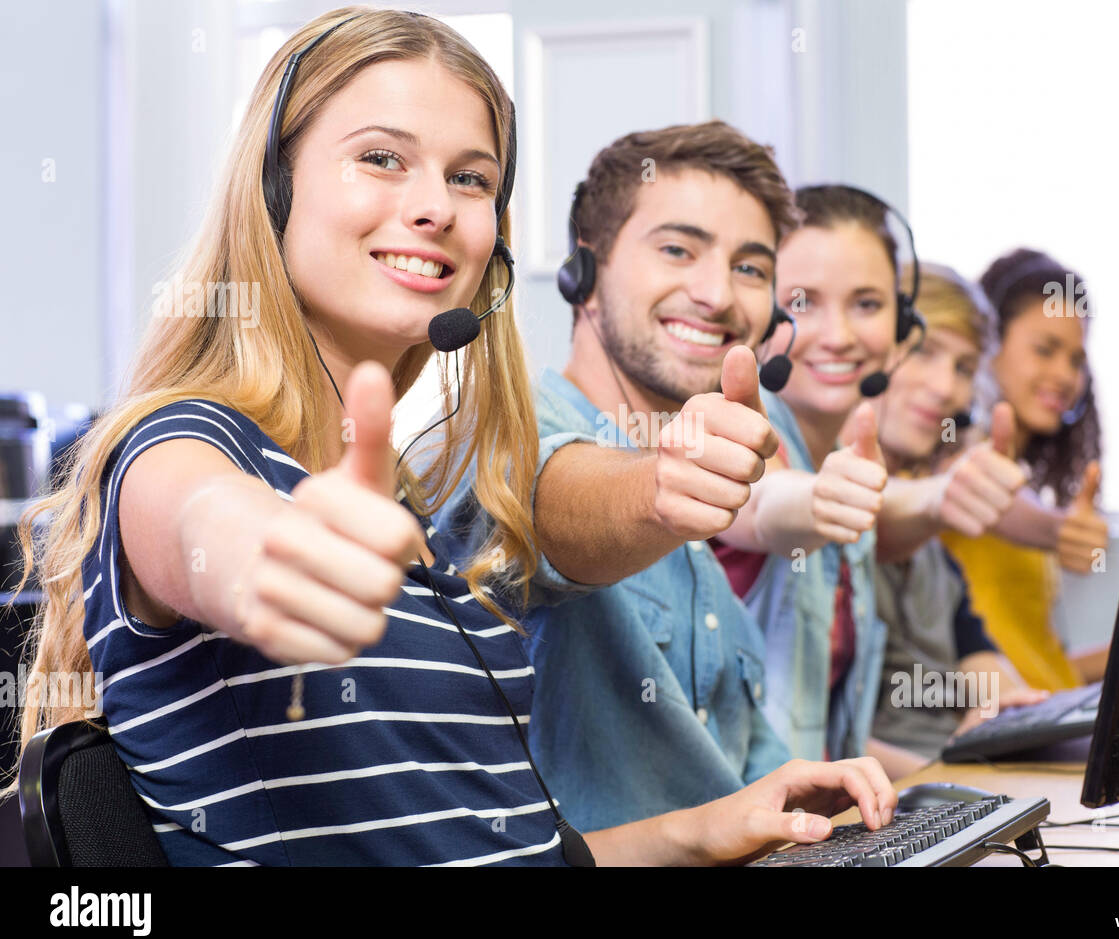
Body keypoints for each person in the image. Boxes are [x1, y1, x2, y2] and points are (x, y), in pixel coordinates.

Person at [7, 8, 893, 866]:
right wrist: (274, 559)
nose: (433, 206)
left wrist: (709, 829)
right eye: (382, 159)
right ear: (273, 188)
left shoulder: (414, 514)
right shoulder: (182, 444)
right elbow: (207, 526)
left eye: (470, 178)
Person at [433, 121, 899, 833]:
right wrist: (659, 491)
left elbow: (746, 788)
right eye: (678, 249)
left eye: (749, 268)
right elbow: (553, 502)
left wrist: (826, 798)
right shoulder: (505, 424)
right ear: (584, 270)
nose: (717, 294)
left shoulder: (707, 566)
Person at [710, 185, 1032, 777]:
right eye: (804, 303)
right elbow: (766, 501)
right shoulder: (734, 430)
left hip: (824, 830)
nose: (838, 335)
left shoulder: (846, 451)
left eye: (866, 304)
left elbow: (886, 512)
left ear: (899, 321)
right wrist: (918, 494)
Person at [867, 263, 1043, 759]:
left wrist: (1006, 712)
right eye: (924, 351)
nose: (945, 387)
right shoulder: (816, 509)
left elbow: (976, 651)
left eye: (965, 368)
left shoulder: (932, 549)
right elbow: (823, 744)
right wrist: (955, 784)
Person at [939, 248, 1110, 690]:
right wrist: (1060, 529)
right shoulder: (952, 448)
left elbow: (1039, 660)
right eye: (1045, 349)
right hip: (1004, 727)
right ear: (989, 345)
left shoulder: (1020, 474)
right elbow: (981, 489)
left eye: (1075, 359)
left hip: (1044, 710)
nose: (1064, 374)